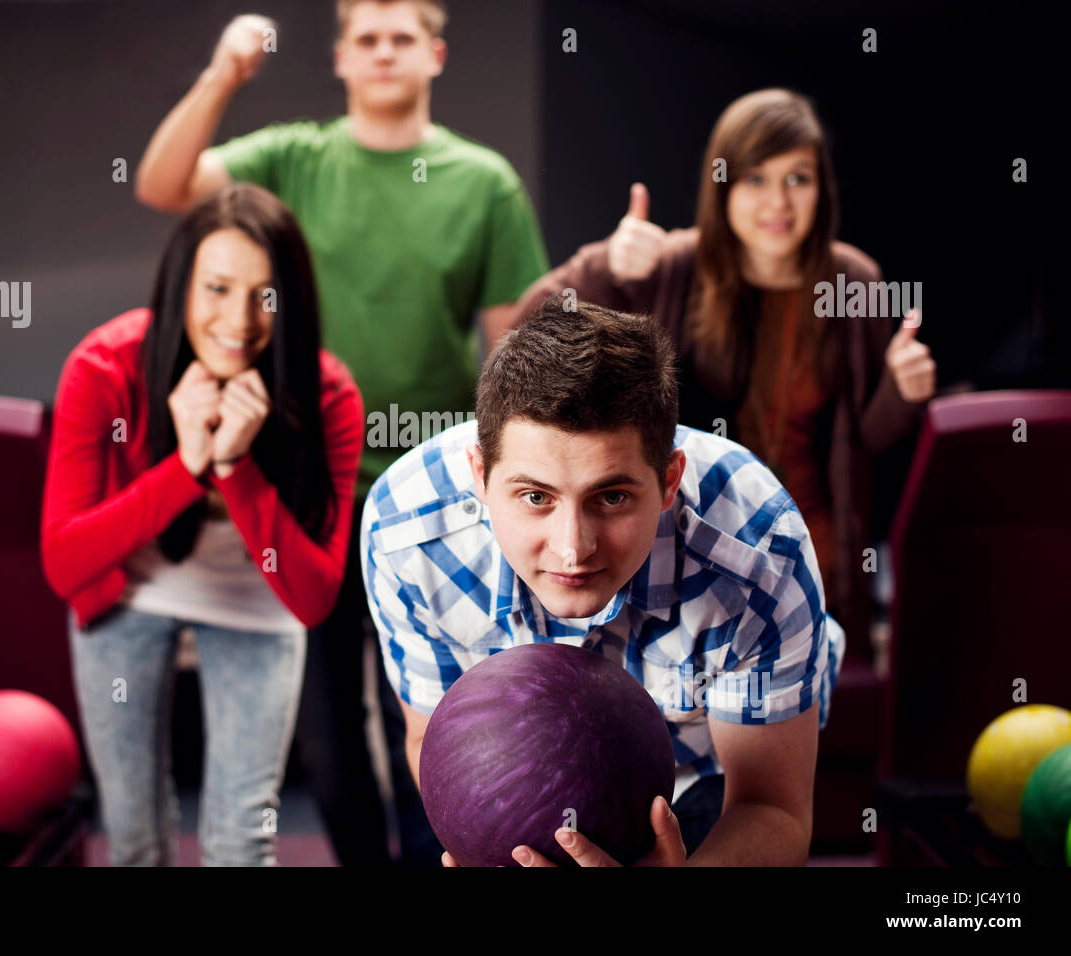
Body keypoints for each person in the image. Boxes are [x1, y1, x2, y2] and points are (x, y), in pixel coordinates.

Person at [134, 0, 548, 866]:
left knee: (441, 718)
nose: (385, 52)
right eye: (367, 38)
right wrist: (223, 75)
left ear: (434, 54)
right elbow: (162, 187)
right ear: (340, 58)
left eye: (403, 38)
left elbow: (520, 355)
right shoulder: (292, 157)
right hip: (310, 490)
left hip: (442, 499)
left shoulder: (484, 183)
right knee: (326, 731)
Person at [363, 297, 844, 865]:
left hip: (708, 758)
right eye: (535, 497)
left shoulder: (760, 551)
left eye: (611, 497)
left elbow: (772, 810)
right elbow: (434, 742)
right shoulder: (407, 533)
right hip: (531, 768)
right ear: (480, 477)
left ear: (669, 482)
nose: (573, 549)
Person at [507, 88, 935, 653]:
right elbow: (525, 332)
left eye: (798, 178)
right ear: (723, 184)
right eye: (756, 178)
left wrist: (905, 394)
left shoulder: (852, 279)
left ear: (822, 189)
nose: (778, 201)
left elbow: (865, 440)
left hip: (817, 556)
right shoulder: (677, 264)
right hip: (691, 552)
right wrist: (606, 265)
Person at [40, 183, 363, 866]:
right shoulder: (102, 368)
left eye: (263, 293)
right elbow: (65, 563)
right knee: (133, 836)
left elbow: (313, 598)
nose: (239, 319)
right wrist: (185, 469)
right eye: (216, 288)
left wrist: (237, 466)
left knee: (241, 844)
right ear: (180, 287)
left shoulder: (329, 394)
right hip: (129, 590)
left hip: (256, 597)